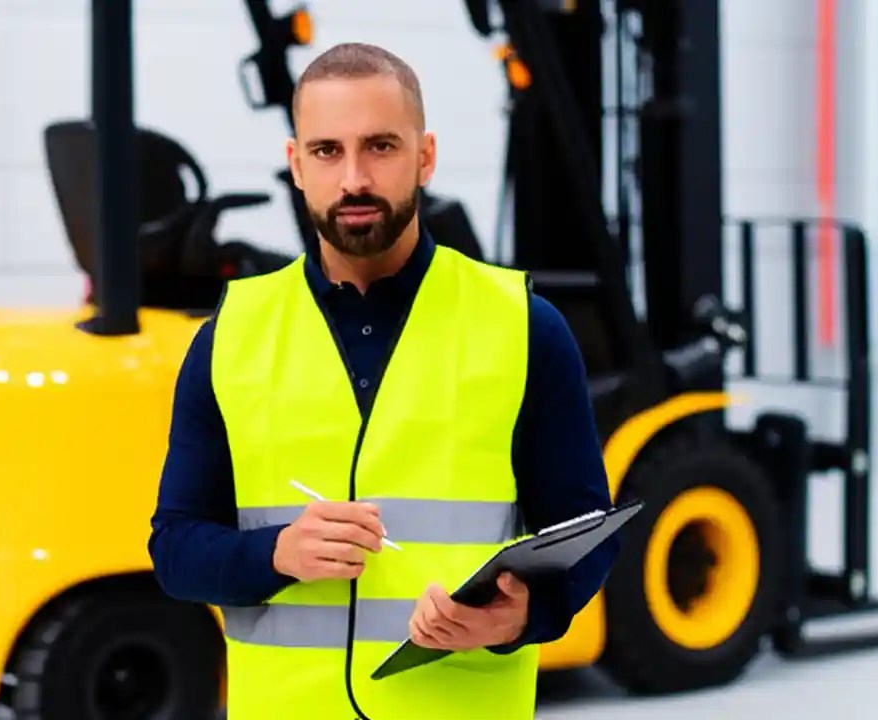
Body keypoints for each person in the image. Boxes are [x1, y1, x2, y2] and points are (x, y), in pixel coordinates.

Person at [148, 41, 619, 720]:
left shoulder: (524, 328)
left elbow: (586, 536)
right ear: (296, 165)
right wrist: (276, 552)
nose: (354, 179)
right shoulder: (229, 337)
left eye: (380, 147)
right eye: (327, 151)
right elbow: (175, 549)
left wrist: (521, 616)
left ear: (425, 156)